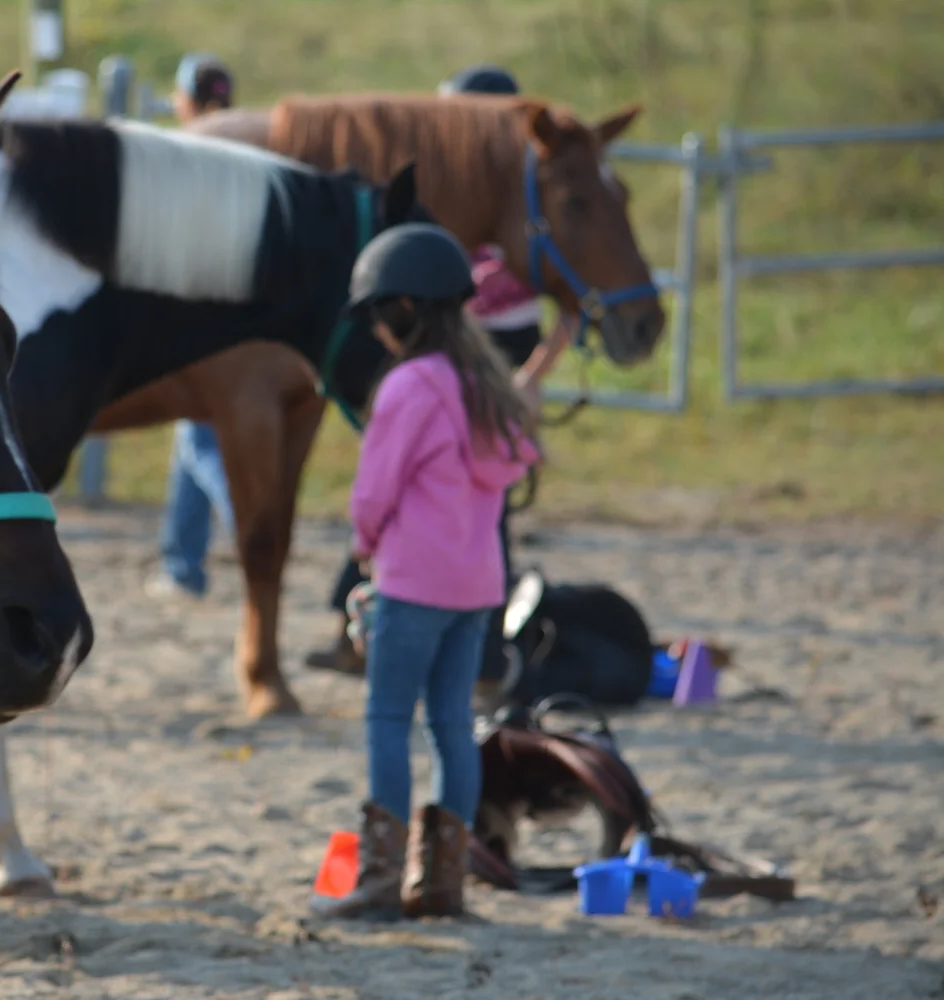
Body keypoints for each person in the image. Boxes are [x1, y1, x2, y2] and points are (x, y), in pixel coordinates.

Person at [305, 62, 573, 683]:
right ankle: (440, 643)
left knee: (448, 498)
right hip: (463, 365)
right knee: (455, 501)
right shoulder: (470, 211)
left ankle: (455, 647)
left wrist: (532, 372)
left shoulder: (512, 221)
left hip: (476, 361)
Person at [309, 223, 538, 922]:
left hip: (412, 583)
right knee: (449, 722)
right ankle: (442, 884)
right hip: (476, 587)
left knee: (385, 717)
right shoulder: (484, 383)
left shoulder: (409, 385)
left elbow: (376, 489)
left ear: (404, 307)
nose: (377, 328)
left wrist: (361, 547)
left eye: (379, 313)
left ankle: (378, 881)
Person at [145, 52, 239, 601]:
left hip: (195, 320)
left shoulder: (184, 157)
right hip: (231, 315)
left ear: (191, 100)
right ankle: (182, 563)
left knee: (200, 437)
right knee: (192, 437)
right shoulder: (239, 151)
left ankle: (241, 519)